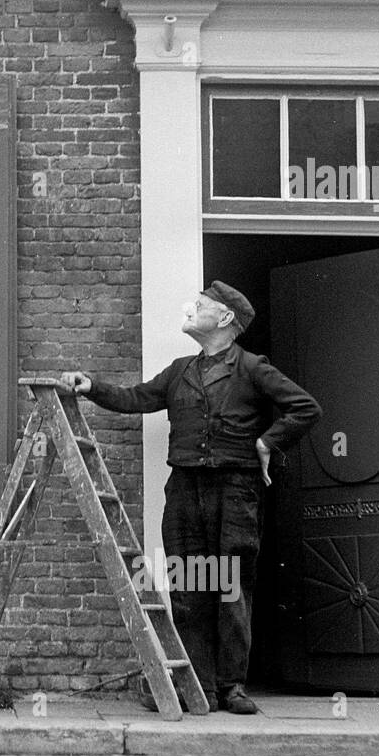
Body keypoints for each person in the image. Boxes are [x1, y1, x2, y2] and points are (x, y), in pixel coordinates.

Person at [59, 281, 321, 715]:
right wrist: (92, 386)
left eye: (199, 305)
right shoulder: (180, 369)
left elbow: (305, 408)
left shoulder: (254, 368)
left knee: (232, 586)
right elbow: (137, 398)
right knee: (189, 584)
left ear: (223, 319)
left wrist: (268, 442)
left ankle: (231, 686)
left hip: (236, 492)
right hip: (184, 489)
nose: (190, 308)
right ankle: (195, 685)